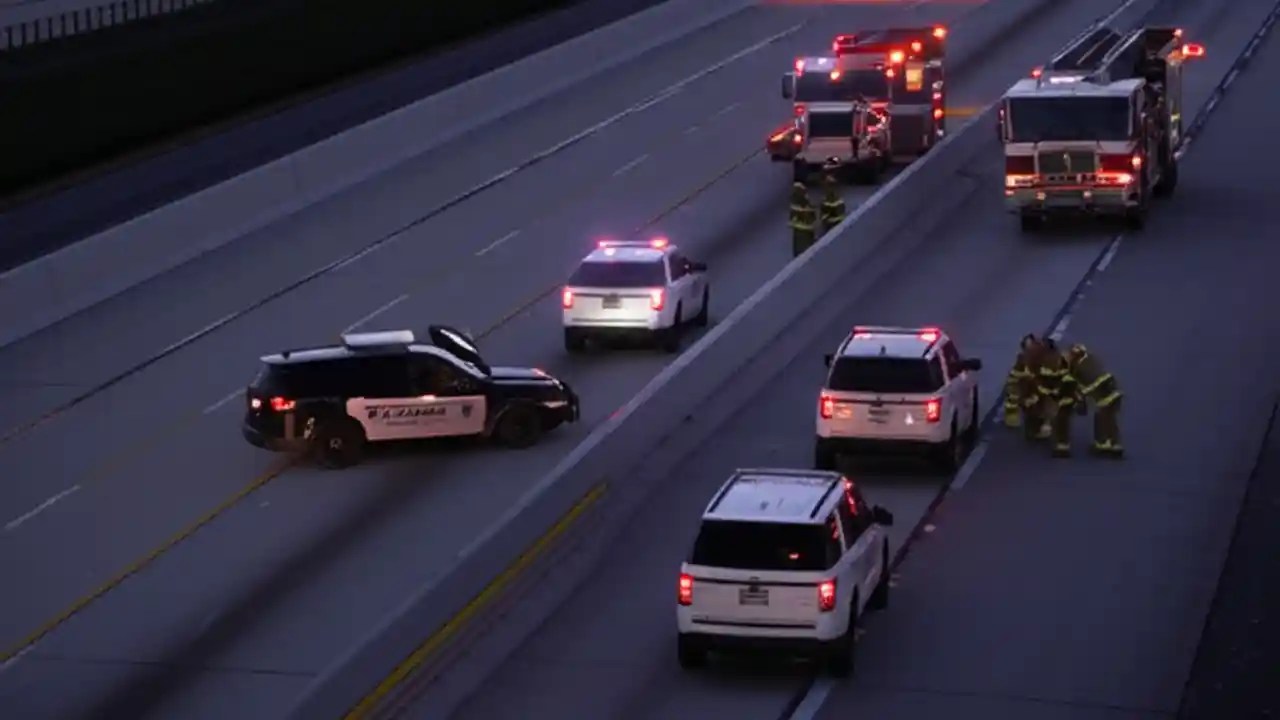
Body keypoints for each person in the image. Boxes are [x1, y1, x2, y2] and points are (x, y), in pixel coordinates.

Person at [1066, 342, 1124, 458]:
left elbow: (1094, 383)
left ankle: (1104, 445)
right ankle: (1113, 444)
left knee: (1103, 418)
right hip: (1112, 393)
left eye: (1071, 355)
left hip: (1106, 396)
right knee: (1108, 419)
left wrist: (1082, 394)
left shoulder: (1083, 368)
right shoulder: (1089, 360)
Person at [1037, 337, 1078, 458]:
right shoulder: (1060, 358)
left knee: (1059, 417)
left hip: (1062, 393)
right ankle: (1062, 443)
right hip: (1065, 392)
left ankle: (1061, 444)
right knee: (1062, 418)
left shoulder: (1051, 361)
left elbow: (1048, 381)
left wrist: (1049, 393)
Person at [1015, 334, 1052, 440]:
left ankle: (1044, 425)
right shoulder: (1024, 359)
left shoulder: (1043, 357)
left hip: (1042, 385)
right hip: (1032, 387)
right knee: (1032, 407)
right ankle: (1036, 427)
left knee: (1042, 405)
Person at [789, 182, 818, 256]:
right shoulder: (795, 202)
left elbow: (812, 216)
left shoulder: (806, 201)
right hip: (800, 231)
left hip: (806, 231)